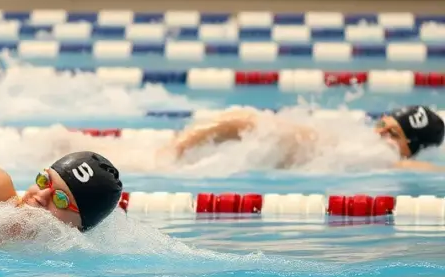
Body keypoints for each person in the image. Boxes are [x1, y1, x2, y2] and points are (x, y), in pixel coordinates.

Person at [169, 106, 445, 170]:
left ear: (410, 147)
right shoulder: (378, 151)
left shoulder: (380, 154)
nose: (380, 132)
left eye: (393, 133)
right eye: (383, 124)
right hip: (259, 134)